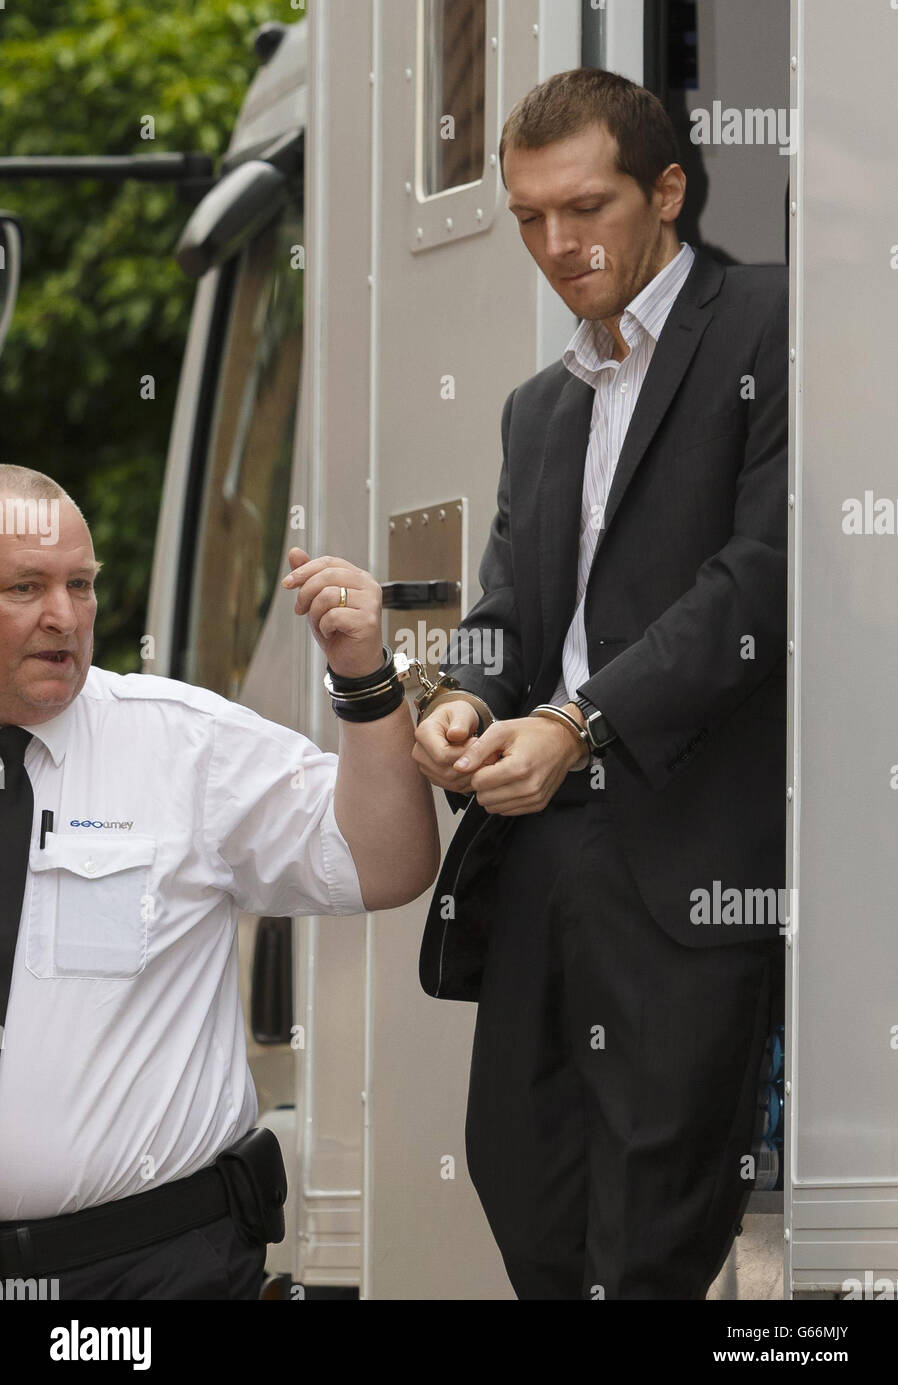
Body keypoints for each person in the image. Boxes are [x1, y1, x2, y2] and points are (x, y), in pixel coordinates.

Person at [414, 68, 787, 1300]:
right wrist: (460, 701)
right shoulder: (538, 407)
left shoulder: (774, 323)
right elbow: (509, 614)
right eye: (527, 217)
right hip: (534, 856)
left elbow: (759, 578)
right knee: (523, 1184)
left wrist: (578, 720)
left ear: (668, 189)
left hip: (690, 851)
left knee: (654, 1224)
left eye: (584, 208)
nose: (555, 244)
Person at [0, 463, 439, 1299]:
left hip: (153, 1267)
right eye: (26, 587)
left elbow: (383, 863)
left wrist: (365, 679)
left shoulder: (179, 745)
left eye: (81, 584)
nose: (64, 616)